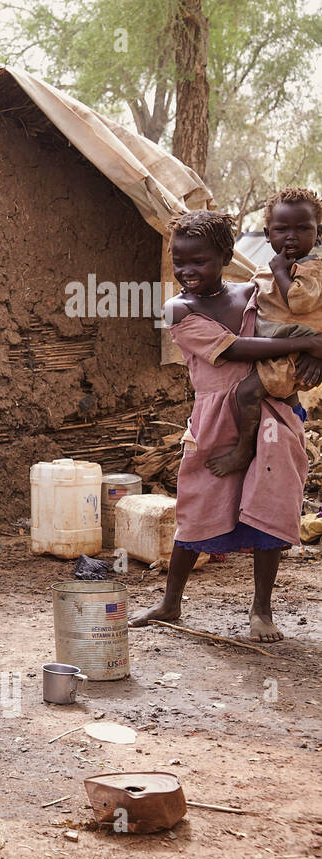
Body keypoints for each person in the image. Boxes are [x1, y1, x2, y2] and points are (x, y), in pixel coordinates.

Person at [130, 211, 322, 642]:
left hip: (273, 413)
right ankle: (171, 602)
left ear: (225, 256)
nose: (186, 271)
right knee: (197, 506)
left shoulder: (253, 292)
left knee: (270, 507)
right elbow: (234, 349)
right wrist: (306, 343)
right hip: (215, 420)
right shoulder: (179, 309)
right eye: (179, 262)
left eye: (198, 261)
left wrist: (316, 353)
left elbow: (301, 317)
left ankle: (261, 610)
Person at [204, 187, 322, 477]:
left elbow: (300, 300)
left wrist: (281, 272)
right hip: (275, 352)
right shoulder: (266, 271)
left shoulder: (312, 270)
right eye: (282, 229)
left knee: (246, 394)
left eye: (302, 228)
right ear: (268, 234)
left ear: (318, 233)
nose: (291, 236)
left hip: (293, 357)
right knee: (281, 406)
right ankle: (292, 434)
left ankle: (244, 451)